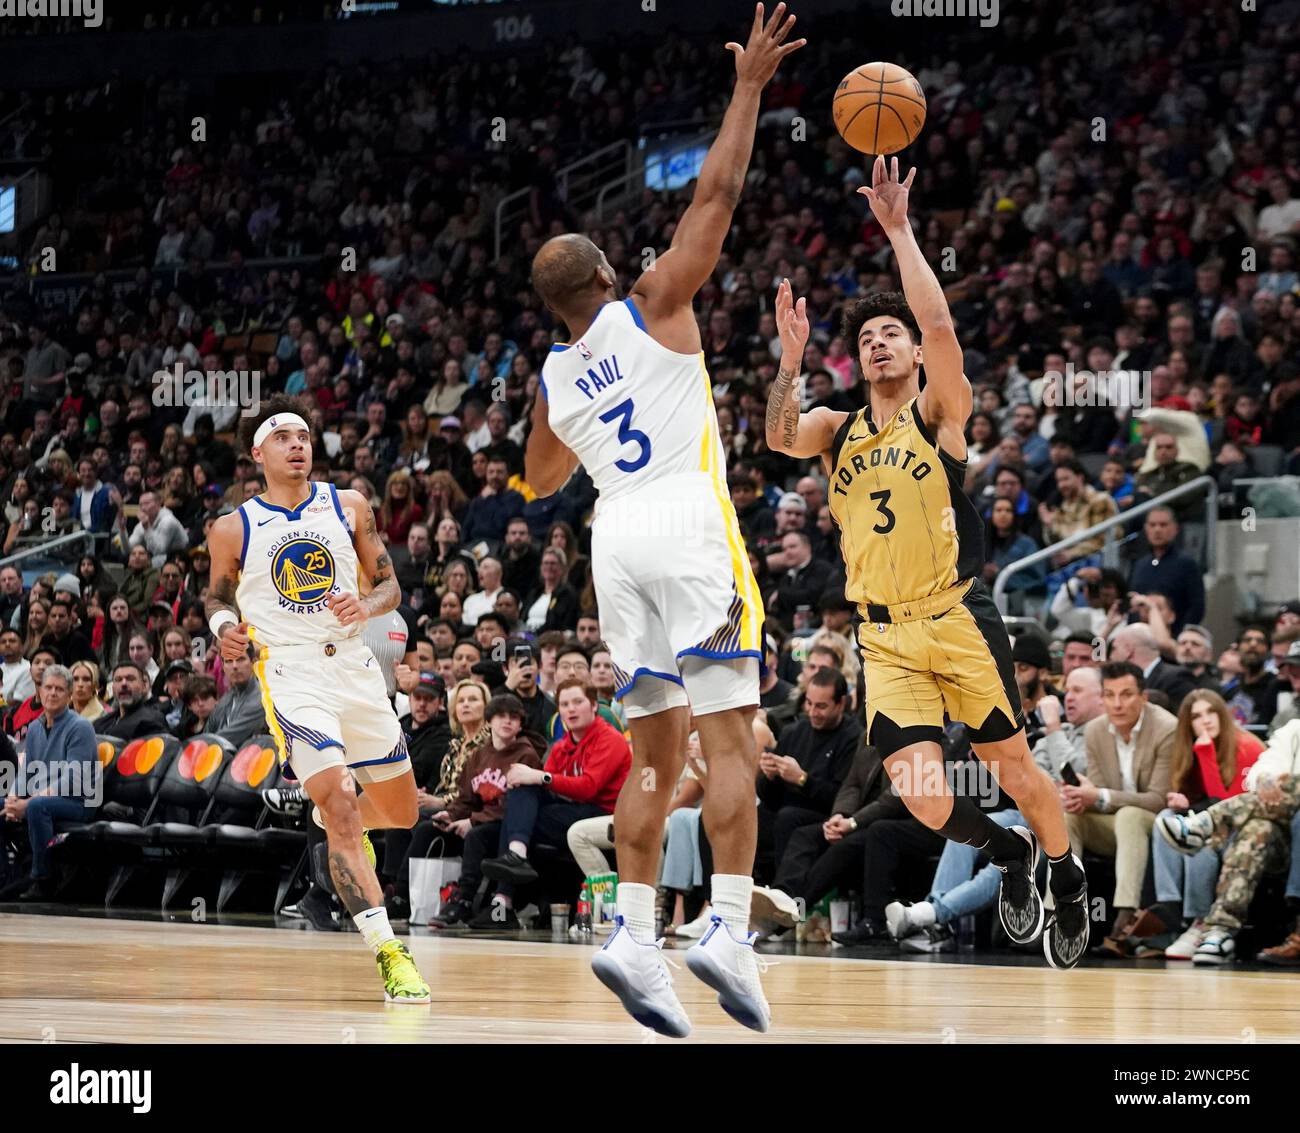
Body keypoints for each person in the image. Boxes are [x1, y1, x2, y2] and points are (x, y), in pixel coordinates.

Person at [525, 14, 806, 1034]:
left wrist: (572, 393)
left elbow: (539, 476)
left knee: (654, 754)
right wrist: (748, 88)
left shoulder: (553, 376)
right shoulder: (651, 301)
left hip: (615, 540)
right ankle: (725, 925)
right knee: (731, 741)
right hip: (690, 520)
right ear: (607, 271)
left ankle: (635, 939)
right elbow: (719, 195)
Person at [766, 154, 1090, 969]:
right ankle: (1010, 857)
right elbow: (776, 433)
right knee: (919, 791)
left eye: (890, 336)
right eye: (867, 339)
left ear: (913, 355)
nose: (877, 345)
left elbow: (943, 328)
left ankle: (1063, 869)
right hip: (881, 635)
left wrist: (901, 230)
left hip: (955, 617)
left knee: (1013, 769)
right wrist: (791, 356)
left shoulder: (940, 413)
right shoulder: (837, 427)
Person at [203, 396, 430, 1004]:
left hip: (355, 669)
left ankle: (331, 822)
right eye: (284, 438)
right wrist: (223, 629)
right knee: (343, 804)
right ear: (259, 453)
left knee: (403, 813)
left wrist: (370, 604)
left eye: (304, 436)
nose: (297, 445)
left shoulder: (349, 505)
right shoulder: (233, 527)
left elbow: (389, 585)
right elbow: (217, 599)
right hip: (292, 674)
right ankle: (389, 951)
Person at [477, 679, 631, 926]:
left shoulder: (610, 739)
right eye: (564, 704)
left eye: (577, 702)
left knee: (526, 802)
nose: (570, 709)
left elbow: (588, 787)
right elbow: (545, 787)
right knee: (523, 791)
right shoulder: (561, 747)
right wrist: (527, 779)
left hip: (604, 815)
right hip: (571, 812)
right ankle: (509, 879)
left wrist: (539, 776)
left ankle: (504, 896)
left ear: (593, 706)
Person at [1157, 719, 1300, 965]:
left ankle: (1204, 825)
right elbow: (1261, 768)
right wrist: (1266, 778)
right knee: (1259, 828)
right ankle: (1218, 932)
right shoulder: (1294, 729)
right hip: (1286, 843)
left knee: (1263, 822)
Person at [1143, 690, 1265, 959]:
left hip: (1245, 831)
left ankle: (1199, 921)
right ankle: (1169, 906)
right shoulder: (1188, 750)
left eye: (1211, 712)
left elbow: (1226, 806)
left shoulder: (1247, 746)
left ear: (1223, 713)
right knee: (1165, 819)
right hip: (1211, 824)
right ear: (1188, 724)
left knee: (1201, 842)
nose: (1206, 721)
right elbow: (1201, 804)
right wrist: (1183, 802)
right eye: (1197, 716)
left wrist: (1206, 753)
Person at [1065, 661, 1176, 949]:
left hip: (1158, 826)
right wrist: (1081, 796)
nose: (1117, 704)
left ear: (1144, 697)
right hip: (1117, 824)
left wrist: (1100, 795)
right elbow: (1100, 794)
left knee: (1129, 815)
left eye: (1126, 695)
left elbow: (1157, 798)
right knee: (1069, 817)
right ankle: (1064, 911)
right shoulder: (1095, 731)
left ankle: (1125, 916)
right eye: (1109, 695)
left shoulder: (1167, 728)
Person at [426, 693, 543, 928]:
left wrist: (473, 821)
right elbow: (466, 798)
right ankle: (399, 896)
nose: (507, 721)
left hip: (506, 825)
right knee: (425, 829)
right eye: (501, 716)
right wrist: (451, 814)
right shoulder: (479, 755)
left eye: (514, 717)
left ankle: (464, 899)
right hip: (482, 819)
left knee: (476, 836)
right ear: (489, 721)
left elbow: (517, 807)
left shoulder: (526, 754)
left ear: (521, 724)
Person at [0, 665, 99, 900]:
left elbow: (74, 779)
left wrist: (30, 801)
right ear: (40, 690)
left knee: (36, 807)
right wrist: (14, 797)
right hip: (44, 797)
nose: (53, 693)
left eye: (59, 689)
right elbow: (26, 772)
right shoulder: (34, 728)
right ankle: (6, 875)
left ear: (69, 694)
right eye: (48, 687)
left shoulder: (80, 727)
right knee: (2, 803)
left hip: (80, 800)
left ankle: (43, 879)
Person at [94, 663, 169, 740]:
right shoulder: (100, 723)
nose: (124, 684)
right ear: (112, 688)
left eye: (130, 679)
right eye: (118, 680)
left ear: (143, 687)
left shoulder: (152, 720)